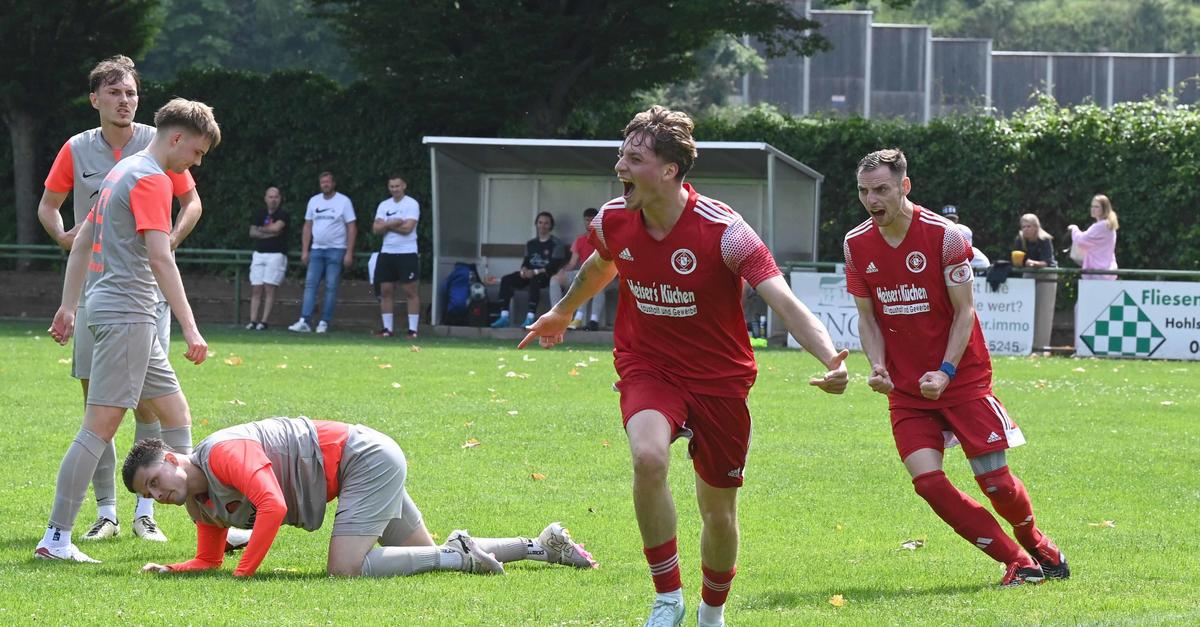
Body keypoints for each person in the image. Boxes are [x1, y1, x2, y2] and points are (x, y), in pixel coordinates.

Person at [519, 106, 849, 627]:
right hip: (648, 366)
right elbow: (603, 263)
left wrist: (830, 357)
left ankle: (711, 610)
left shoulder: (726, 231)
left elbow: (784, 300)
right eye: (621, 156)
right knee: (648, 458)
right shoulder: (611, 219)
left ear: (670, 170)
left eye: (634, 159)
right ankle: (667, 597)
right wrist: (563, 311)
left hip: (720, 379)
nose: (620, 167)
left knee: (718, 513)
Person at [844, 148, 1070, 588]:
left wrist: (946, 370)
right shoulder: (856, 244)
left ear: (904, 186)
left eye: (881, 190)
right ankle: (1018, 562)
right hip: (908, 389)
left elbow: (965, 312)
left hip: (962, 379)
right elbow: (867, 318)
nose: (872, 200)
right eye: (864, 191)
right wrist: (878, 366)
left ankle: (1035, 541)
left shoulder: (944, 236)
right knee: (928, 483)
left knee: (996, 483)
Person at [37, 98, 222, 564]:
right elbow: (161, 257)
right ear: (177, 138)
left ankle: (214, 527)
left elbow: (81, 242)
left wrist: (69, 305)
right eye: (197, 153)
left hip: (117, 312)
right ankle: (56, 538)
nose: (196, 163)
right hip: (128, 316)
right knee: (98, 429)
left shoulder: (124, 169)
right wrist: (191, 328)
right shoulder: (151, 178)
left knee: (176, 415)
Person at [123, 417, 598, 578]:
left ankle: (459, 555)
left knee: (345, 569)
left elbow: (273, 505)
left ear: (172, 459)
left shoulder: (222, 453)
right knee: (420, 555)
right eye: (149, 493)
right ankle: (540, 546)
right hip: (363, 465)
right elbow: (209, 559)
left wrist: (245, 572)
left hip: (364, 459)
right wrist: (173, 568)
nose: (157, 495)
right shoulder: (198, 503)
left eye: (155, 481)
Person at [289, 172, 357, 333]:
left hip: (337, 249)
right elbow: (308, 226)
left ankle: (324, 322)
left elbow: (352, 226)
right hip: (317, 249)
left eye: (328, 182)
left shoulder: (344, 201)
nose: (325, 185)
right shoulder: (314, 201)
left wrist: (349, 252)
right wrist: (305, 250)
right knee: (310, 285)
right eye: (322, 182)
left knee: (331, 286)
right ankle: (304, 320)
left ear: (333, 183)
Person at [489, 212, 566, 328]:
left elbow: (553, 267)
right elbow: (526, 261)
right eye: (540, 222)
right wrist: (523, 270)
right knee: (506, 279)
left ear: (551, 226)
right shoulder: (531, 243)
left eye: (546, 223)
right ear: (536, 224)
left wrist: (534, 272)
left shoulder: (556, 244)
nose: (542, 226)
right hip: (529, 274)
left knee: (535, 280)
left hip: (546, 276)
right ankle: (504, 316)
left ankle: (530, 317)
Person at [371, 175, 421, 338]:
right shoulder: (384, 205)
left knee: (410, 291)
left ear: (404, 186)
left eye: (397, 186)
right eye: (391, 186)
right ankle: (387, 329)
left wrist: (385, 225)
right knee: (385, 291)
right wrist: (392, 223)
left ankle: (413, 330)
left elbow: (407, 229)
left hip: (407, 252)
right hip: (387, 252)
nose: (394, 189)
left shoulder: (411, 204)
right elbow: (376, 229)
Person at [549, 207, 608, 330]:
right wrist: (562, 271)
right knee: (555, 279)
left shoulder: (604, 239)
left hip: (600, 274)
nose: (590, 223)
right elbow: (572, 263)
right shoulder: (580, 239)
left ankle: (591, 320)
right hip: (580, 272)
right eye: (587, 220)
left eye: (593, 220)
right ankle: (557, 317)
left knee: (591, 280)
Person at [246, 186, 289, 331]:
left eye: (276, 197)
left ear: (280, 199)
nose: (273, 200)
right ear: (265, 198)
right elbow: (252, 232)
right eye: (270, 197)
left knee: (269, 287)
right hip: (259, 253)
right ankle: (253, 321)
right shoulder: (259, 213)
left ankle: (264, 322)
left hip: (276, 254)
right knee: (256, 288)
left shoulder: (283, 214)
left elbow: (277, 228)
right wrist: (270, 233)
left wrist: (261, 230)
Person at [1013, 214, 1058, 349]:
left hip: (1047, 275)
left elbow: (1047, 261)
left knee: (1043, 311)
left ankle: (1041, 347)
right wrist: (1021, 262)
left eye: (1028, 226)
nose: (1025, 229)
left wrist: (1032, 263)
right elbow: (1017, 259)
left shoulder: (1045, 240)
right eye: (1023, 227)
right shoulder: (1020, 239)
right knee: (1026, 309)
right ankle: (1025, 345)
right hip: (1029, 273)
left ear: (1036, 227)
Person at [1067, 194, 1118, 280]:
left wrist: (1074, 229)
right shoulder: (1109, 225)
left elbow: (1081, 240)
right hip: (1108, 272)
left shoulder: (1101, 226)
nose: (1093, 209)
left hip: (1097, 272)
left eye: (1097, 207)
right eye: (1092, 206)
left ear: (1104, 209)